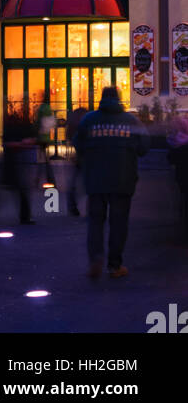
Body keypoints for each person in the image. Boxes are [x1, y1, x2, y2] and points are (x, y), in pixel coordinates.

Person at [75, 85, 148, 279]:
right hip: (122, 181)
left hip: (95, 181)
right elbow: (143, 148)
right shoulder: (131, 121)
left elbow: (78, 145)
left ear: (101, 98)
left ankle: (96, 258)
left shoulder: (89, 120)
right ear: (118, 98)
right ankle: (115, 266)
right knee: (118, 223)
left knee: (96, 222)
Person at [0, 101, 36, 225]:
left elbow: (7, 142)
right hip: (12, 163)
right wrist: (23, 144)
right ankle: (24, 217)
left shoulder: (12, 127)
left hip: (10, 162)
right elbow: (8, 143)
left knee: (8, 190)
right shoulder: (15, 127)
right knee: (17, 191)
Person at [167, 115, 188, 239]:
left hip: (181, 177)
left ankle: (183, 229)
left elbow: (171, 159)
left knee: (183, 202)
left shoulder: (174, 141)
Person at [65, 104, 87, 216]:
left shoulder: (74, 123)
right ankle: (73, 205)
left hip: (80, 156)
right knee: (86, 182)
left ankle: (72, 205)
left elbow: (70, 137)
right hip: (86, 157)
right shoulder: (86, 121)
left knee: (75, 180)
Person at [35, 101, 57, 186]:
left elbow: (38, 123)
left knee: (43, 159)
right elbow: (52, 122)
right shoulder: (48, 109)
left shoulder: (41, 109)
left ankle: (43, 179)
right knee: (45, 158)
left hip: (41, 137)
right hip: (47, 137)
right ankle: (48, 179)